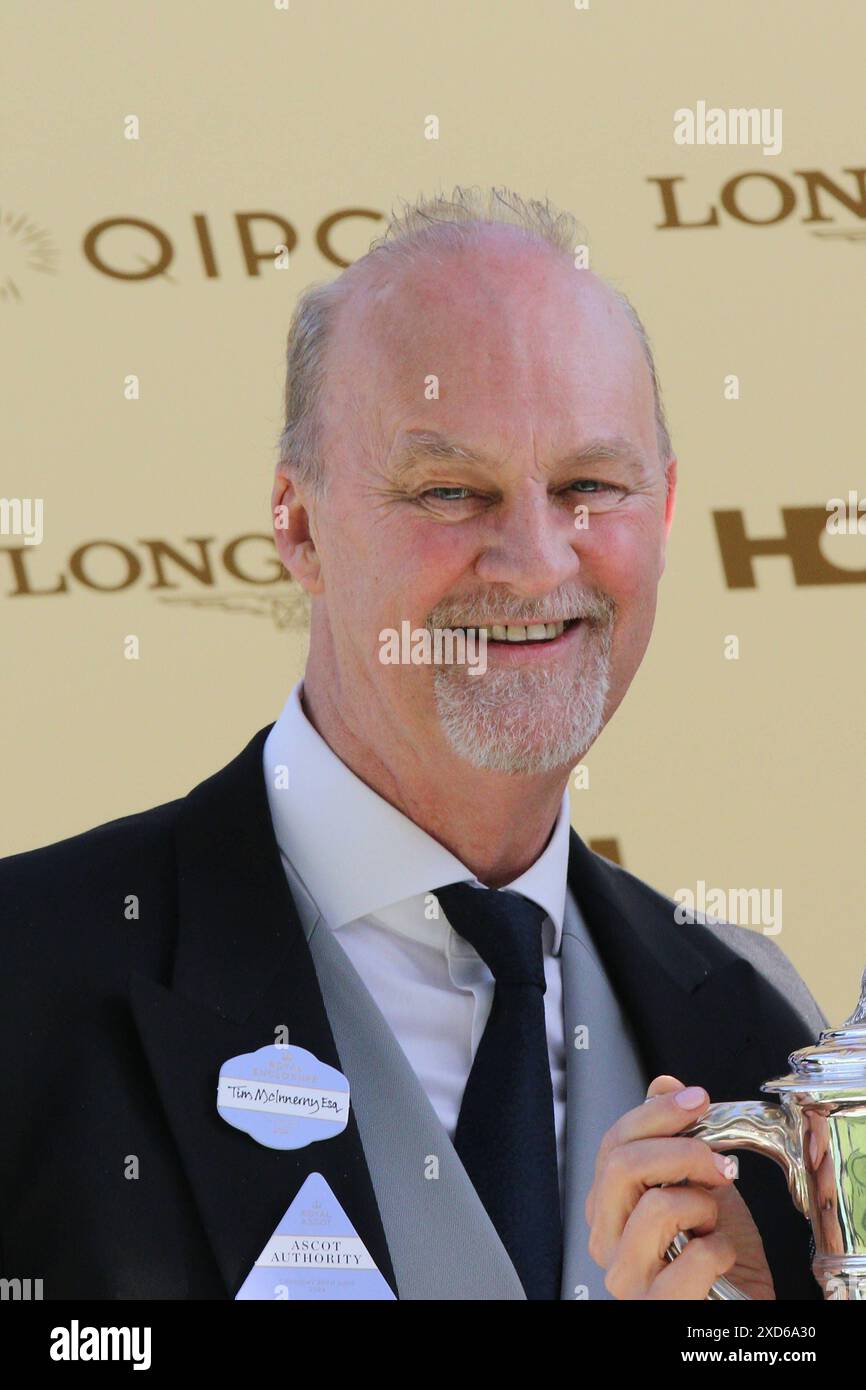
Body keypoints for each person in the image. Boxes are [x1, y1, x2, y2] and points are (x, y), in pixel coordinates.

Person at [0, 186, 827, 1301]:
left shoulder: (754, 1023)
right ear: (298, 525)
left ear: (666, 507)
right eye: (449, 490)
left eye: (590, 485)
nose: (535, 563)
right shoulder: (28, 978)